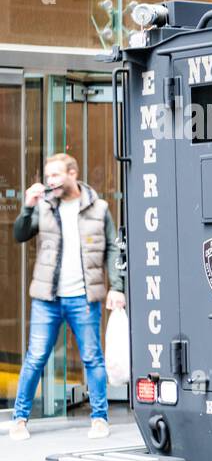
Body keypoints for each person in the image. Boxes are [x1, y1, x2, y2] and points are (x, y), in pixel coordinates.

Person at [9, 153, 125, 441]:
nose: (51, 182)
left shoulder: (98, 208)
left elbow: (112, 249)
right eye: (48, 177)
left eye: (56, 176)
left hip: (83, 299)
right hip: (47, 299)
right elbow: (20, 234)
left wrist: (117, 287)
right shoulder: (45, 206)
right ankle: (20, 419)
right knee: (35, 358)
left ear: (73, 173)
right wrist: (27, 207)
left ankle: (99, 418)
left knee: (92, 358)